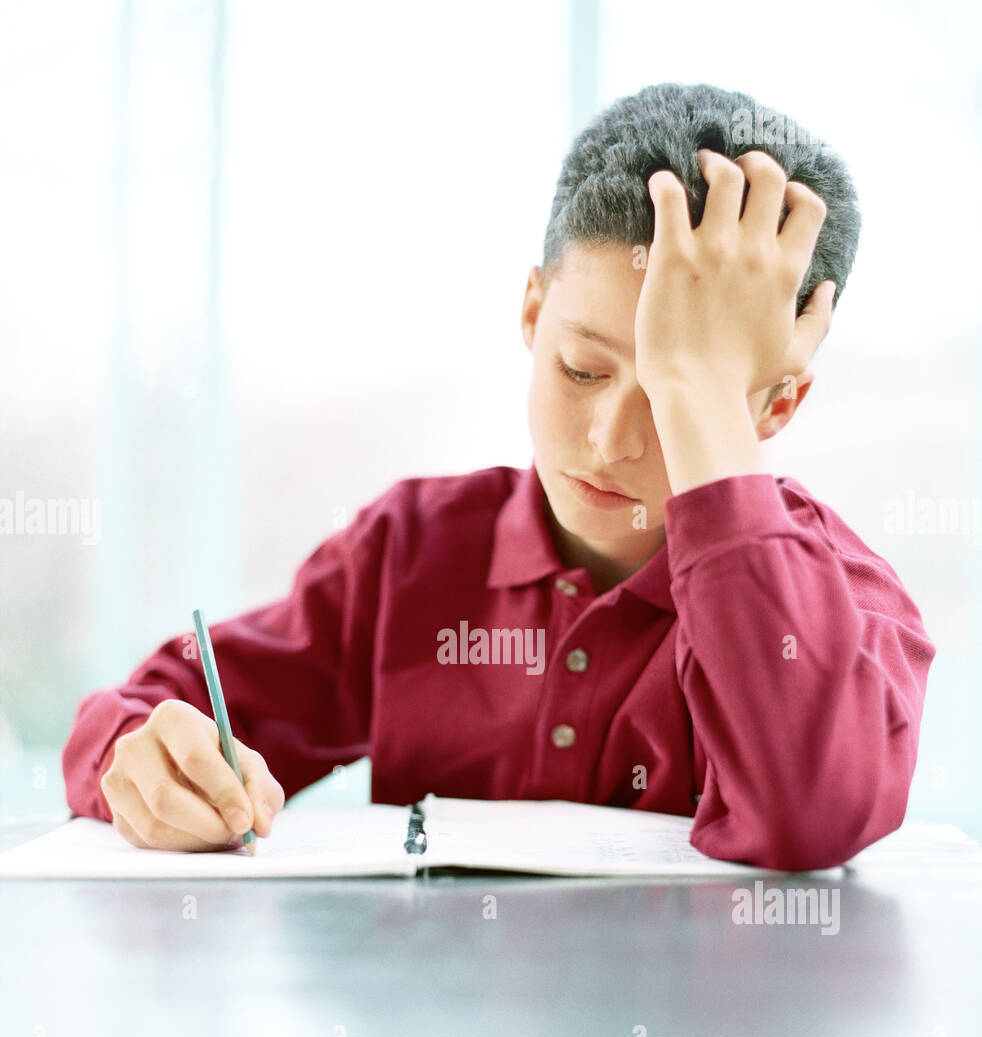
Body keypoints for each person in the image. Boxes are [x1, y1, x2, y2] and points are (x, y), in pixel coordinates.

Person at [62, 82, 935, 871]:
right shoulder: (410, 552)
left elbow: (810, 815)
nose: (608, 440)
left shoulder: (843, 605)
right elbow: (160, 704)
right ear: (531, 311)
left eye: (678, 401)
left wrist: (702, 384)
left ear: (776, 406)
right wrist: (140, 754)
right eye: (584, 370)